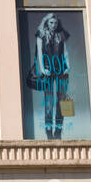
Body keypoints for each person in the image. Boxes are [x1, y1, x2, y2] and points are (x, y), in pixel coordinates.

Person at [31, 12, 71, 140]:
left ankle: (58, 131)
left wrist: (68, 66)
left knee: (61, 100)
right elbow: (39, 53)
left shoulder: (61, 34)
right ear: (47, 22)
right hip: (48, 70)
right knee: (49, 102)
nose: (53, 25)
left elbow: (65, 52)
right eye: (51, 23)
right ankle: (48, 131)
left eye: (55, 23)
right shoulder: (41, 34)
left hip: (61, 70)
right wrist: (42, 69)